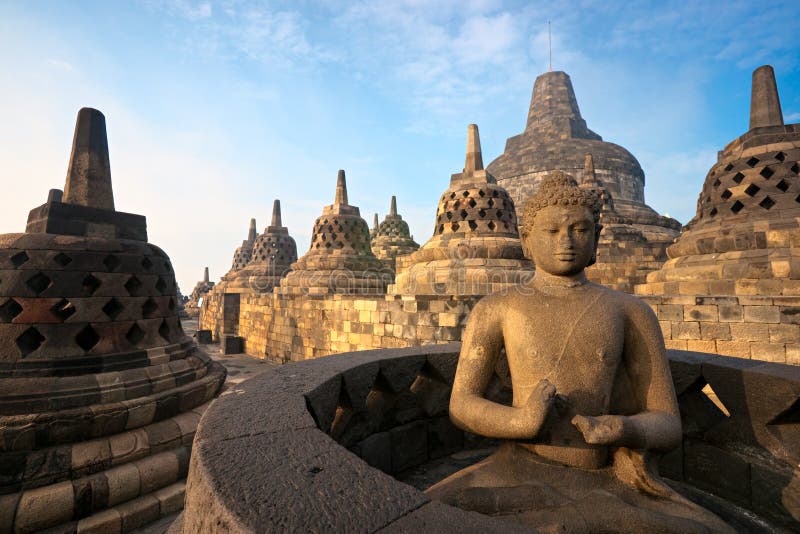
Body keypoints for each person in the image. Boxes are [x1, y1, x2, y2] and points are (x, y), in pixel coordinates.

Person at [426, 172, 732, 533]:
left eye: (580, 230)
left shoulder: (630, 312)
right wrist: (520, 421)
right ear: (526, 240)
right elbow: (462, 404)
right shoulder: (497, 309)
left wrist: (623, 427)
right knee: (425, 516)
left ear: (597, 239)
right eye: (552, 231)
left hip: (604, 477)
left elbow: (667, 423)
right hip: (517, 468)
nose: (566, 241)